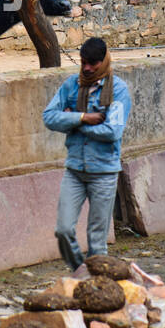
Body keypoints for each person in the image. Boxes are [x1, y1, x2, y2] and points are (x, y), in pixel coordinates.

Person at [43, 37, 132, 270]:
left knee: (97, 241)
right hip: (74, 170)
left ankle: (98, 287)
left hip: (104, 172)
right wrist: (83, 117)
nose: (87, 68)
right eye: (84, 63)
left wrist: (75, 124)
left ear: (103, 62)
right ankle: (80, 271)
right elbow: (49, 117)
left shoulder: (118, 90)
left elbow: (112, 130)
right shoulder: (72, 85)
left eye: (93, 63)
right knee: (63, 230)